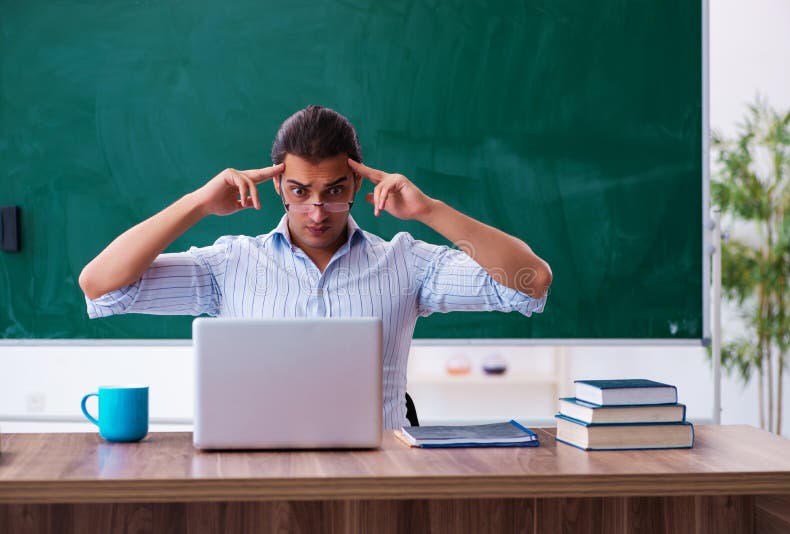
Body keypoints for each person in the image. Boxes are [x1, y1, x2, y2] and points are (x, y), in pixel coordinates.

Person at [79, 105, 552, 428]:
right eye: (301, 191)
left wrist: (429, 210)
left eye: (334, 191)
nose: (317, 211)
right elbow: (100, 286)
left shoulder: (406, 261)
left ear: (357, 184)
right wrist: (197, 204)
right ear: (279, 187)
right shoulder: (231, 263)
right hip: (260, 476)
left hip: (382, 475)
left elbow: (530, 282)